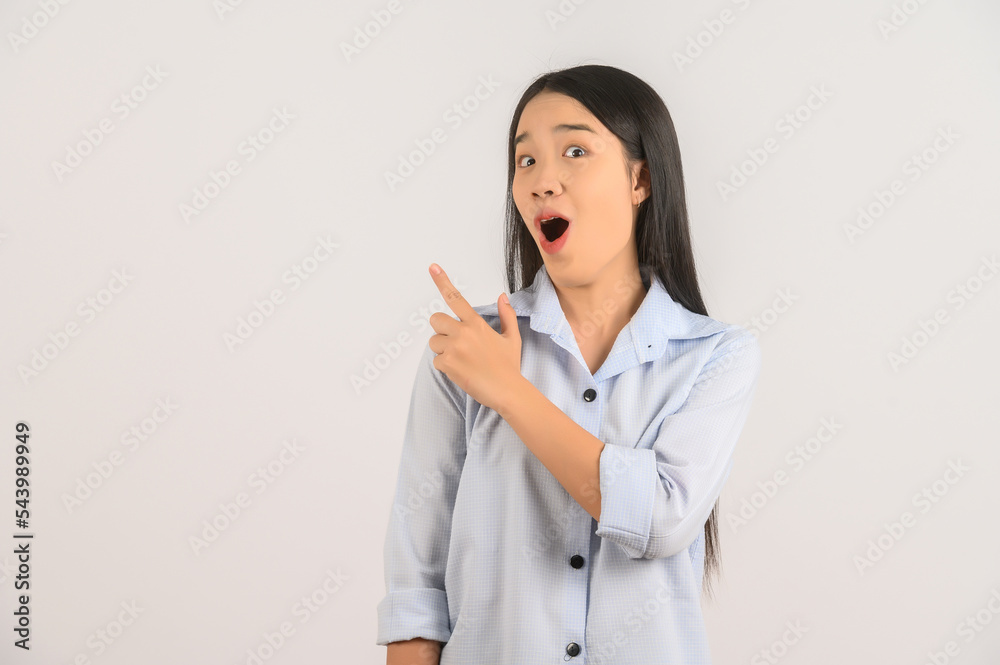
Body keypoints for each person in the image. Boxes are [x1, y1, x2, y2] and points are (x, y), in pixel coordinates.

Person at [377, 63, 763, 665]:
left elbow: (659, 519)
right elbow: (417, 581)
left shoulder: (715, 357)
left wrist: (512, 393)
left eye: (575, 150)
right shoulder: (468, 349)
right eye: (525, 160)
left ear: (641, 179)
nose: (542, 180)